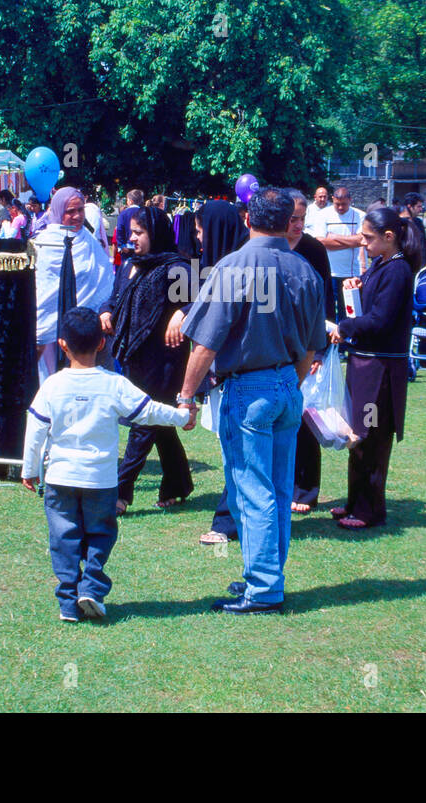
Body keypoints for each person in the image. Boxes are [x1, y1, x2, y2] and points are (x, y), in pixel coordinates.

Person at [178, 188, 323, 613]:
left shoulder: (234, 265)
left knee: (252, 490)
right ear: (288, 221)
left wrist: (186, 396)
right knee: (276, 490)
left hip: (250, 386)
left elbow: (205, 343)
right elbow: (311, 348)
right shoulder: (305, 270)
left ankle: (262, 587)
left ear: (247, 218)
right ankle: (267, 579)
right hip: (286, 385)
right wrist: (286, 383)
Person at [21, 307, 193, 622]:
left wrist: (29, 469)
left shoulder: (52, 386)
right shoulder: (114, 384)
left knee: (64, 537)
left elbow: (35, 432)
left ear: (62, 345)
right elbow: (150, 411)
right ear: (103, 344)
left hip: (60, 478)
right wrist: (182, 416)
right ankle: (92, 587)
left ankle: (68, 601)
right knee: (100, 534)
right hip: (100, 480)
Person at [329, 206, 425, 528]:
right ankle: (355, 502)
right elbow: (370, 309)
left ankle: (370, 511)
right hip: (364, 365)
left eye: (368, 238)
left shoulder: (398, 271)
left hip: (380, 370)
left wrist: (344, 328)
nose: (362, 244)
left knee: (371, 437)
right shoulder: (380, 265)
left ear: (389, 237)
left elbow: (381, 321)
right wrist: (357, 290)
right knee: (356, 436)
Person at [100, 206, 193, 513]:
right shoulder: (131, 264)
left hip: (165, 360)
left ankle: (120, 492)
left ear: (156, 233)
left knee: (143, 420)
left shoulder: (176, 266)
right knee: (158, 421)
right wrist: (106, 311)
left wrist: (181, 312)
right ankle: (179, 483)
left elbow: (199, 303)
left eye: (140, 233)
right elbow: (114, 297)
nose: (133, 238)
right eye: (132, 232)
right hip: (134, 354)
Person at [193, 197, 252, 546]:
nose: (199, 239)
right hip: (233, 375)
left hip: (239, 376)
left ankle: (228, 520)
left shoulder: (235, 268)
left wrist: (189, 391)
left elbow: (214, 333)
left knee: (237, 449)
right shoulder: (221, 265)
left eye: (202, 232)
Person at [285, 190, 334, 514]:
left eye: (302, 218)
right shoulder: (266, 247)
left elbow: (325, 303)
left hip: (307, 345)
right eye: (292, 219)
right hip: (275, 346)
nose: (298, 225)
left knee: (304, 418)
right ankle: (282, 486)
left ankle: (306, 489)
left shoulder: (314, 249)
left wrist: (319, 352)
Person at [34, 188, 116, 377]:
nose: (77, 216)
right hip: (48, 330)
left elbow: (105, 281)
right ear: (57, 212)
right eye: (70, 211)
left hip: (83, 330)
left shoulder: (89, 241)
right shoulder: (44, 243)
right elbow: (43, 290)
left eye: (80, 210)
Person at [313, 186, 366, 321]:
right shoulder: (323, 215)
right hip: (329, 272)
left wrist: (333, 237)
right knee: (327, 313)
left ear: (350, 200)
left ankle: (346, 341)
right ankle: (328, 341)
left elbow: (362, 240)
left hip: (350, 273)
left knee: (349, 313)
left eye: (344, 204)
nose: (341, 208)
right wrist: (351, 241)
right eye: (337, 204)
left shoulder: (360, 215)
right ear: (333, 200)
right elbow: (320, 242)